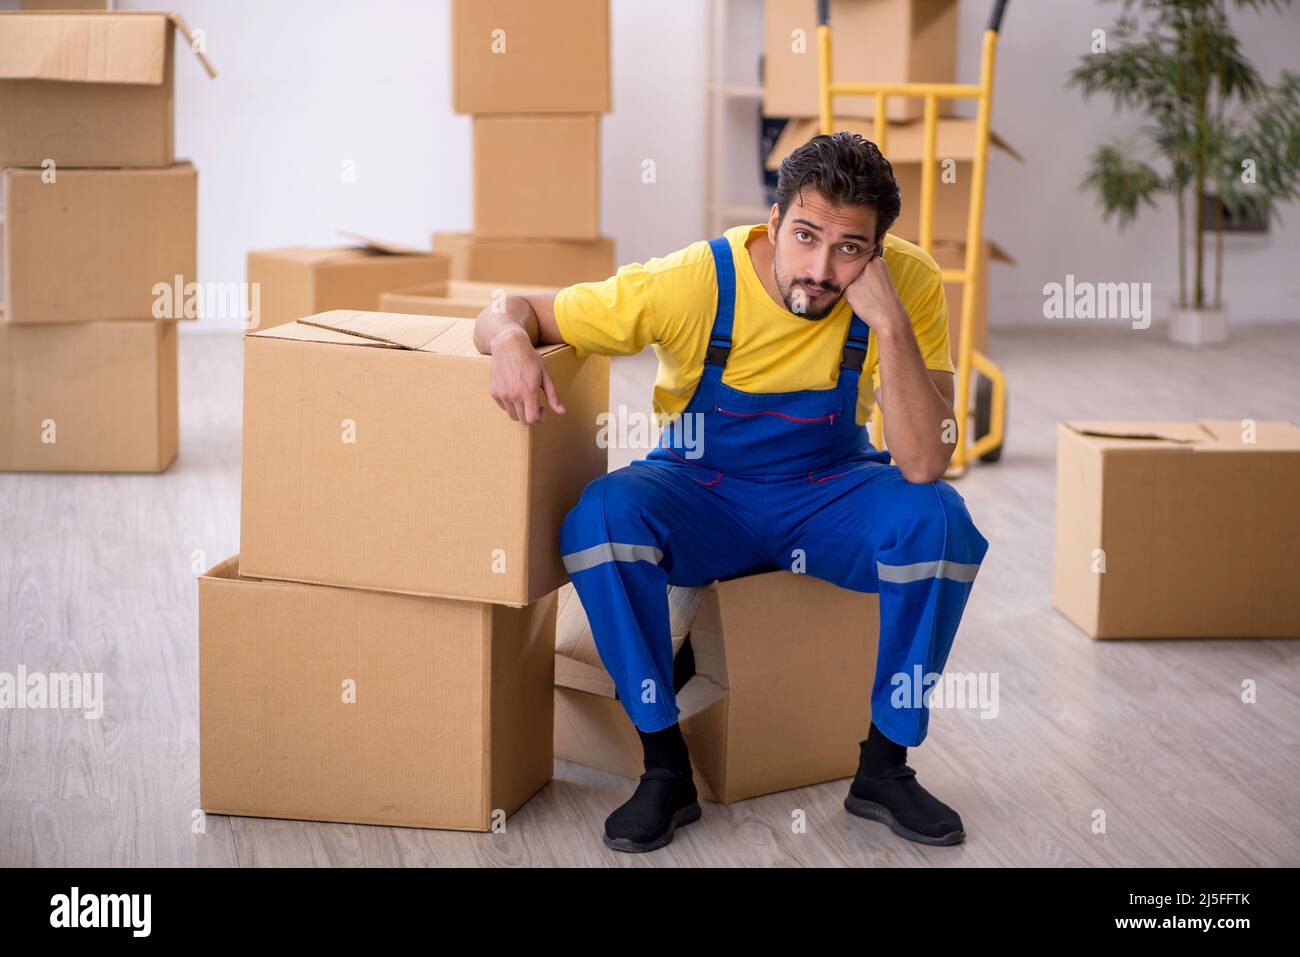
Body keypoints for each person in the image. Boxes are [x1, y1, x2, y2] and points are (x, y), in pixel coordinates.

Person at [473, 131, 989, 853]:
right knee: (601, 517)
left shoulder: (909, 281)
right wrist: (506, 343)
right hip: (699, 490)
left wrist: (891, 323)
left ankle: (884, 765)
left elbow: (926, 459)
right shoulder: (691, 281)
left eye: (850, 248)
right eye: (805, 236)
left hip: (830, 489)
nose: (820, 268)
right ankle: (664, 767)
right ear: (772, 223)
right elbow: (512, 307)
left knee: (940, 522)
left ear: (877, 251)